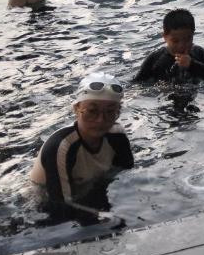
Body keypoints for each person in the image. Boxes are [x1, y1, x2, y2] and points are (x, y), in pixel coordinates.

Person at [29, 73, 133, 215]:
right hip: (46, 203)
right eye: (92, 111)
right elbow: (59, 204)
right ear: (76, 109)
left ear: (118, 112)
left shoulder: (117, 135)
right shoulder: (61, 146)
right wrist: (107, 217)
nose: (100, 120)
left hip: (89, 189)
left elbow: (127, 175)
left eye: (110, 112)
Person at [133, 8, 204, 83]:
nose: (181, 45)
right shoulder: (156, 58)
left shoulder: (198, 52)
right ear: (165, 37)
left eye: (187, 40)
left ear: (193, 35)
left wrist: (192, 65)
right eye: (175, 41)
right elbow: (137, 83)